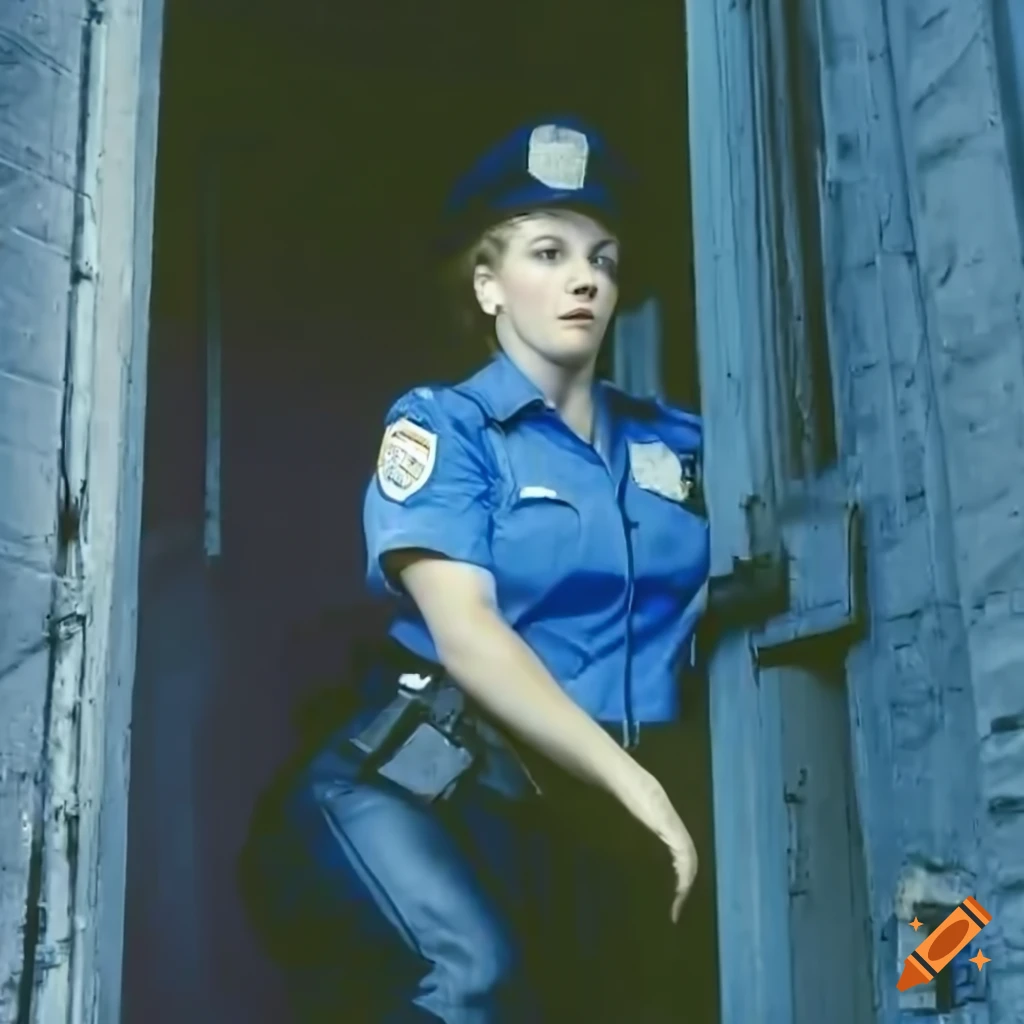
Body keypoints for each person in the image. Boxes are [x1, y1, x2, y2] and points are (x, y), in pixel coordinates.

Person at [239, 117, 712, 1022]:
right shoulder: (443, 428)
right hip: (427, 784)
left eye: (603, 258)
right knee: (468, 978)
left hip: (574, 816)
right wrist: (637, 785)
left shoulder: (679, 441)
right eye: (547, 252)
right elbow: (469, 634)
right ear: (488, 284)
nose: (584, 277)